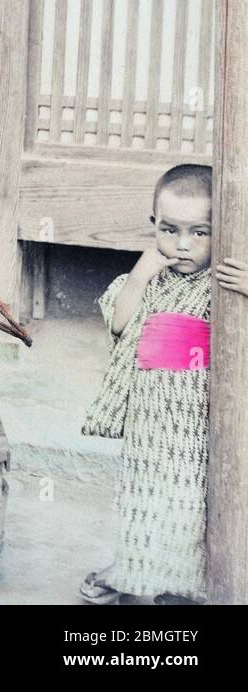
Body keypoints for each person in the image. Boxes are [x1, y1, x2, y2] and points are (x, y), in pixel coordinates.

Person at [79, 164, 248, 604]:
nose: (182, 244)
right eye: (170, 230)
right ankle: (135, 576)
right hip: (148, 420)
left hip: (196, 422)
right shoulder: (147, 281)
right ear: (153, 223)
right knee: (140, 503)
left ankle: (180, 586)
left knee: (187, 509)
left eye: (199, 232)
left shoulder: (220, 286)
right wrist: (139, 274)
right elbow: (119, 321)